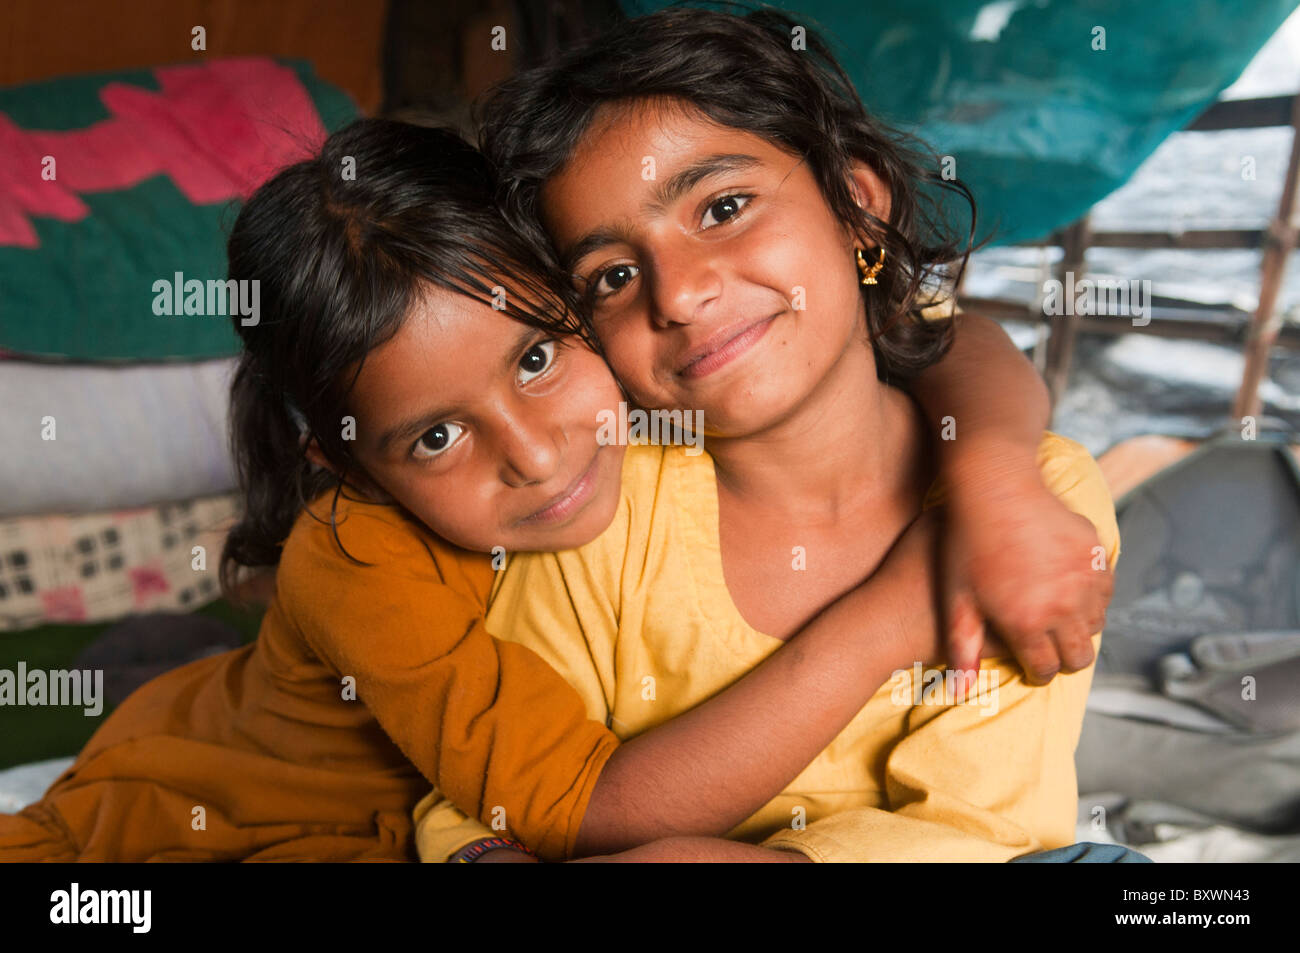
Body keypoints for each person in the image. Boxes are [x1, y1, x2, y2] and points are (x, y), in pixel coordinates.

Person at [0, 109, 1105, 862]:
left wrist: (997, 469)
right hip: (195, 826)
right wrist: (891, 612)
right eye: (436, 436)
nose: (534, 455)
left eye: (537, 359)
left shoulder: (668, 414)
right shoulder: (362, 557)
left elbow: (926, 330)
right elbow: (586, 810)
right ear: (342, 457)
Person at [415, 8, 1136, 862]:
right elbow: (493, 796)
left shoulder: (1033, 509)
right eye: (612, 274)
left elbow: (981, 834)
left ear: (857, 208)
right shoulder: (598, 514)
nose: (677, 293)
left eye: (722, 207)